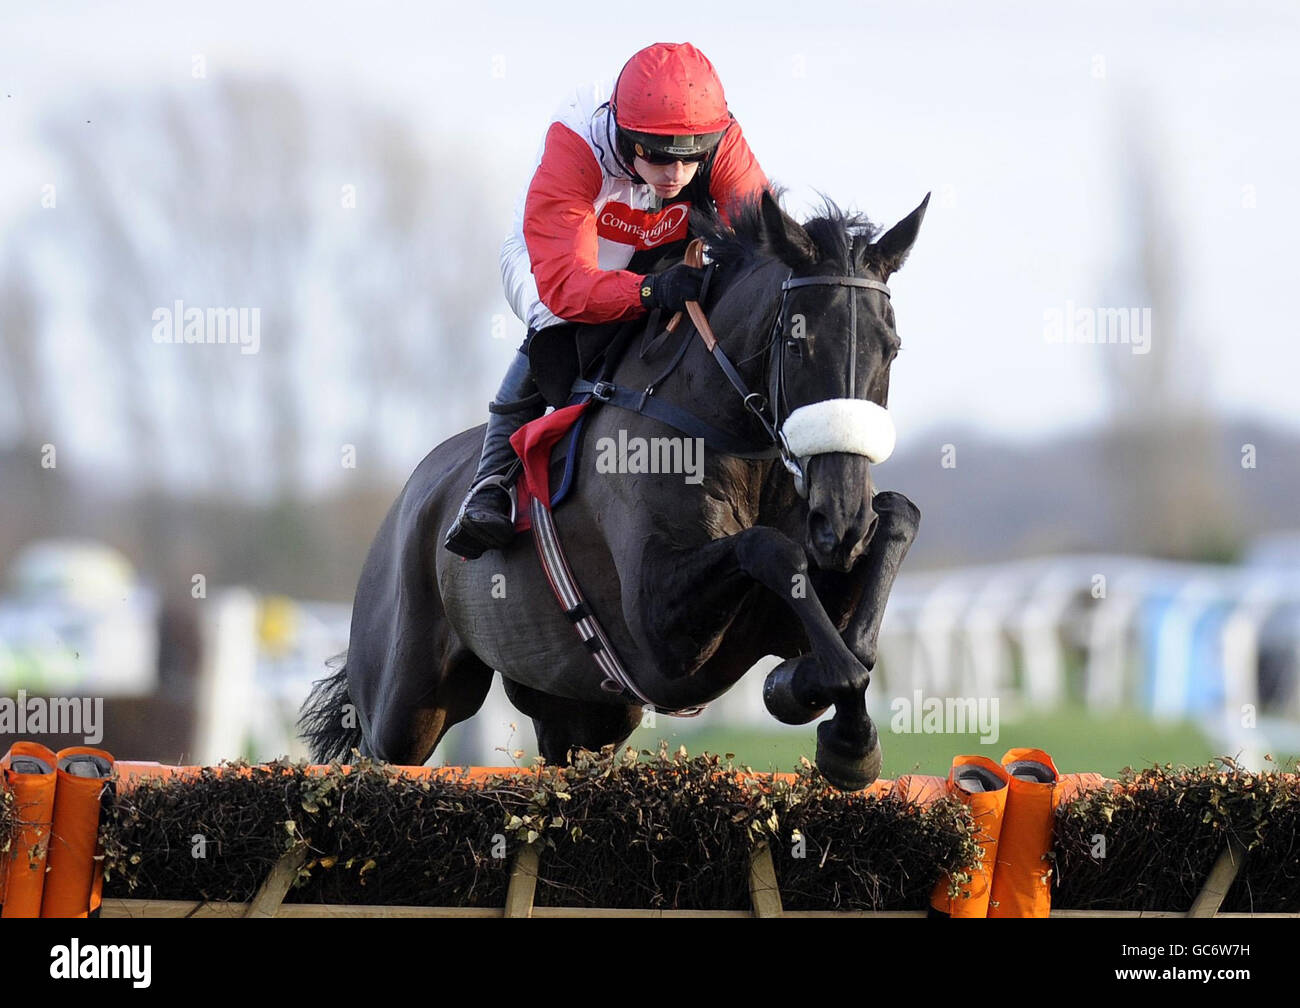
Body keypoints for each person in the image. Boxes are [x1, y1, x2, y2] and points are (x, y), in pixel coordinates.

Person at [444, 41, 770, 559]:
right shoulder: (576, 141)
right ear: (626, 134)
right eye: (659, 157)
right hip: (563, 252)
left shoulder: (720, 140)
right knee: (556, 321)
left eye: (691, 158)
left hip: (656, 238)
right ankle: (491, 483)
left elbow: (764, 243)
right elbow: (568, 285)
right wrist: (649, 290)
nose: (676, 175)